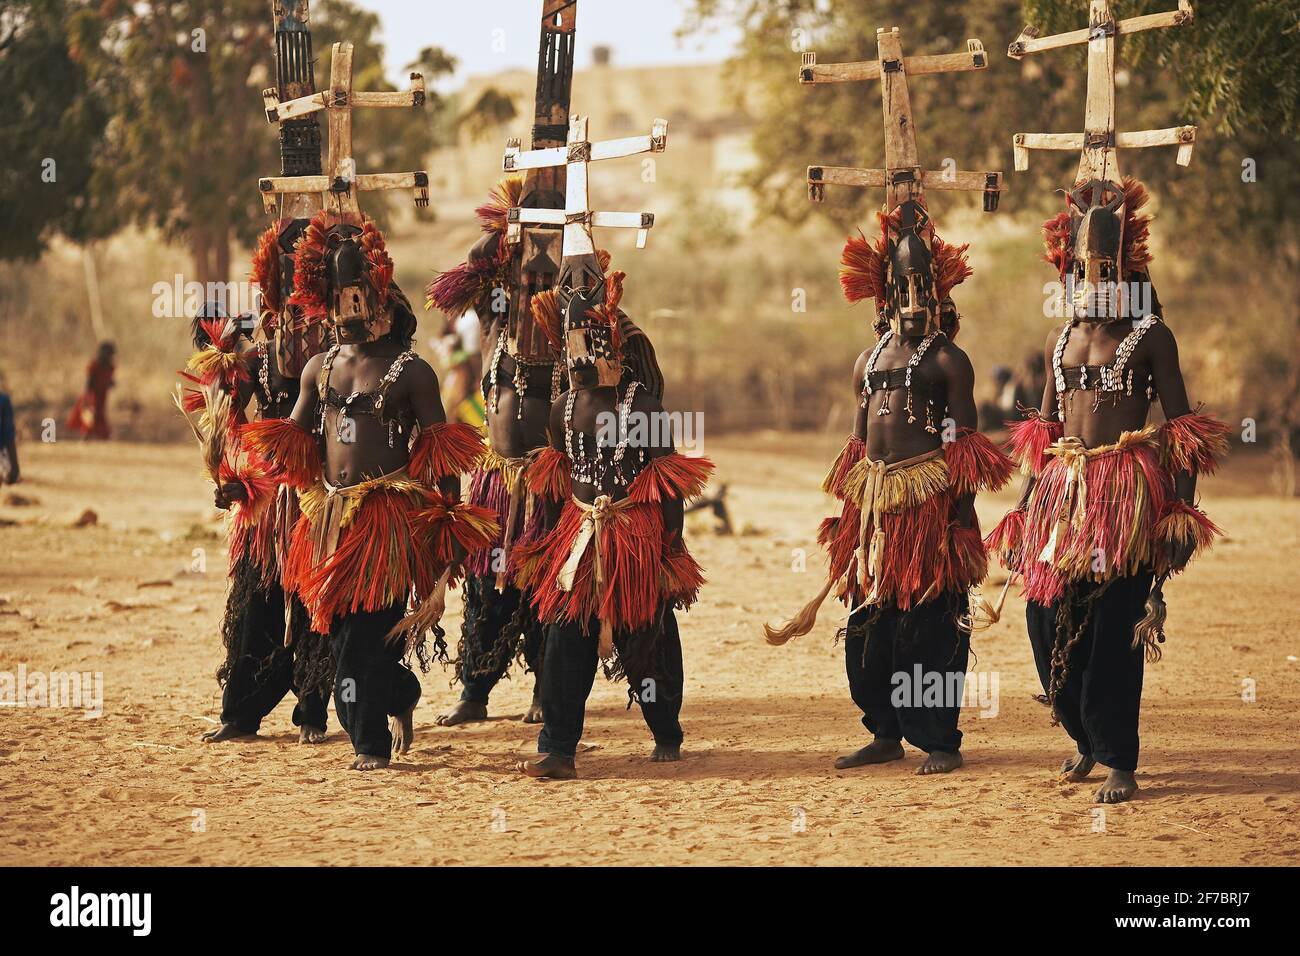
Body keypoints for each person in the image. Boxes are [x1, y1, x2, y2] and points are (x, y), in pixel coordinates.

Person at [985, 177, 1229, 803]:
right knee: (1044, 619)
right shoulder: (1060, 338)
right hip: (1061, 498)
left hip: (1126, 498)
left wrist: (1180, 511)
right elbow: (1042, 430)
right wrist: (1024, 512)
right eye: (1083, 270)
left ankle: (1120, 759)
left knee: (1115, 627)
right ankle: (1084, 738)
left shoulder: (1151, 339)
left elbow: (1181, 431)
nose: (1093, 281)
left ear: (1129, 270)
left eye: (1105, 269)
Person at [765, 199, 1013, 775]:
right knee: (869, 631)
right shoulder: (867, 359)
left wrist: (959, 521)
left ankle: (940, 741)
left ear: (938, 289)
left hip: (929, 511)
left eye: (922, 285)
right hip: (874, 514)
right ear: (885, 292)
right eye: (902, 286)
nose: (912, 297)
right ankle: (884, 731)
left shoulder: (950, 361)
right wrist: (852, 520)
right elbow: (856, 447)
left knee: (927, 627)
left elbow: (964, 448)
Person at [243, 213, 496, 770]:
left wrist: (446, 518)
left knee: (360, 641)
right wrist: (266, 478)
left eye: (358, 298)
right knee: (342, 639)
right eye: (339, 299)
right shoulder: (318, 367)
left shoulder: (413, 373)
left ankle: (370, 747)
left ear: (380, 302)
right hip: (330, 520)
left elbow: (440, 450)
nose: (348, 311)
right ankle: (401, 695)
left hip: (387, 524)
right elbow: (299, 442)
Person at [513, 266, 712, 780]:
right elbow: (555, 481)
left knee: (648, 639)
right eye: (571, 346)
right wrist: (545, 542)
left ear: (614, 348)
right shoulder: (561, 409)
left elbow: (667, 485)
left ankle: (665, 728)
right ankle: (558, 747)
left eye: (589, 344)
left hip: (634, 542)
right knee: (563, 639)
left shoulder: (645, 408)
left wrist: (671, 550)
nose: (578, 357)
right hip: (576, 542)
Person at [182, 221, 333, 746]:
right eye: (283, 269)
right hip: (265, 499)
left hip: (320, 493)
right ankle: (240, 713)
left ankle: (313, 709)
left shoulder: (342, 342)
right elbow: (225, 414)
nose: (292, 281)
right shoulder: (256, 348)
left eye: (303, 269)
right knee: (254, 603)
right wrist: (227, 475)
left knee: (316, 603)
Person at [66, 342, 115, 440]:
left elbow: (109, 381)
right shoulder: (95, 365)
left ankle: (103, 437)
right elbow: (89, 381)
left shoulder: (110, 367)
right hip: (92, 395)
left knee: (100, 416)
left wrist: (110, 383)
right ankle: (86, 437)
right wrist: (87, 396)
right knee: (89, 416)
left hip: (102, 396)